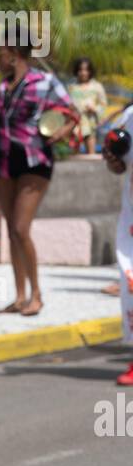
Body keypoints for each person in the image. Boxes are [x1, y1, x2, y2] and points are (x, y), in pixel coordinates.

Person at [0, 41, 78, 316]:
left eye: (1, 53)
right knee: (11, 231)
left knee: (20, 228)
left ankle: (37, 295)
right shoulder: (4, 87)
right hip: (5, 160)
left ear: (15, 55)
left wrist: (60, 133)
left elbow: (73, 114)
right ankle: (19, 297)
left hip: (35, 159)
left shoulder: (45, 81)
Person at [102, 107, 133, 385]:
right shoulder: (130, 117)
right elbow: (118, 164)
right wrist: (111, 156)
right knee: (131, 285)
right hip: (132, 221)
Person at [69, 57, 107, 155]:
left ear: (90, 71)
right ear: (77, 71)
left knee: (91, 154)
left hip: (90, 124)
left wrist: (94, 109)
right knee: (73, 155)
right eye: (80, 70)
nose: (83, 73)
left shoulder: (97, 86)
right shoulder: (71, 87)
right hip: (74, 125)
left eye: (86, 70)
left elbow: (103, 105)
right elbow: (66, 105)